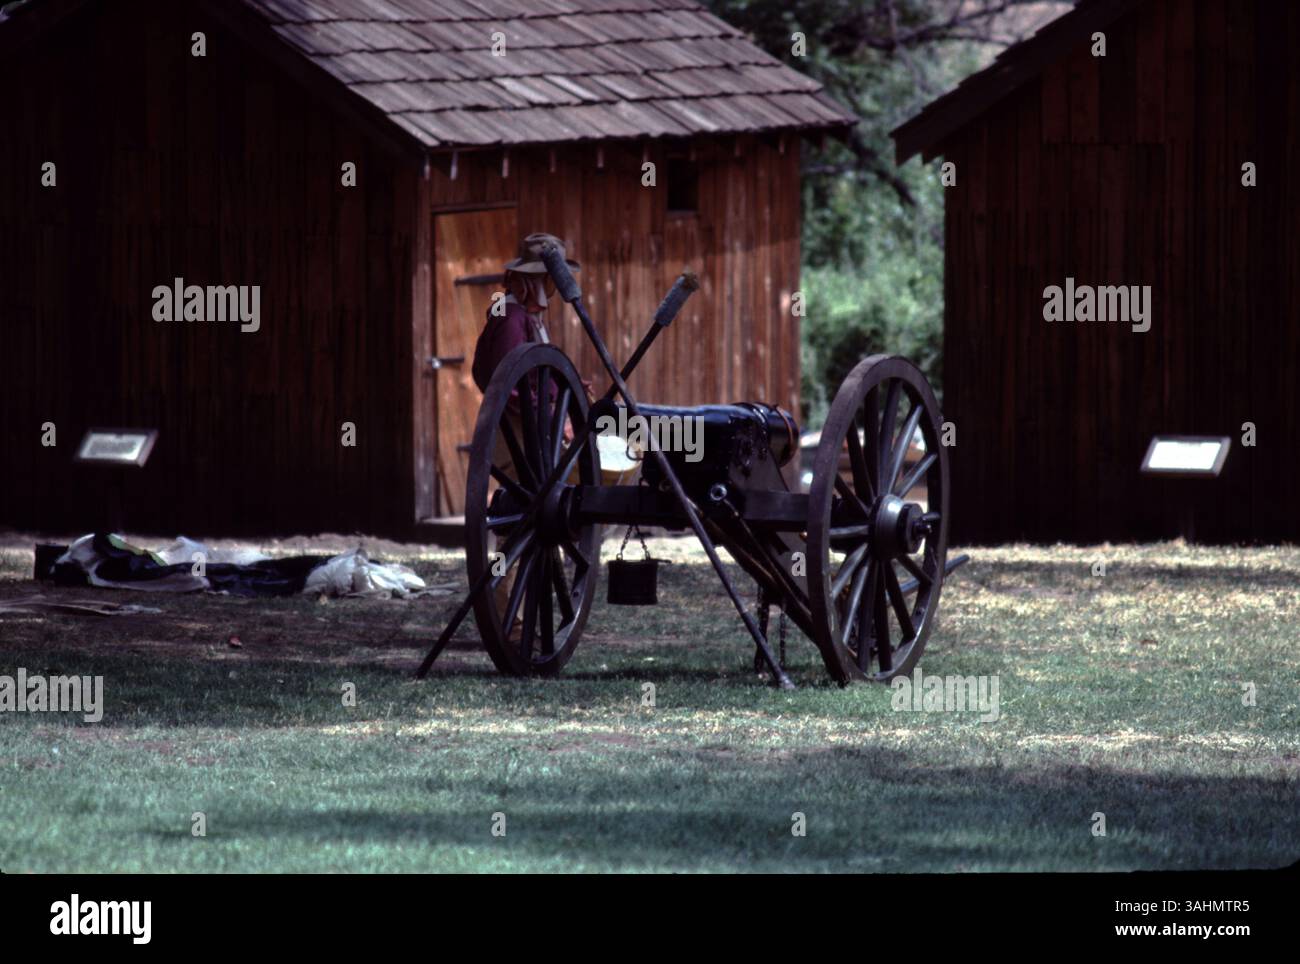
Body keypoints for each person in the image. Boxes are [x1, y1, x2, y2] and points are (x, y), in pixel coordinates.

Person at [471, 234, 581, 641]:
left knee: (527, 526)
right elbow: (504, 382)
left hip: (533, 433)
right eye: (546, 279)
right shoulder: (510, 318)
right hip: (517, 436)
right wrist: (549, 408)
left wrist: (561, 392)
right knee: (517, 526)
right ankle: (508, 619)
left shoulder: (527, 319)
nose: (552, 287)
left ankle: (521, 616)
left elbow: (537, 375)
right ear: (526, 280)